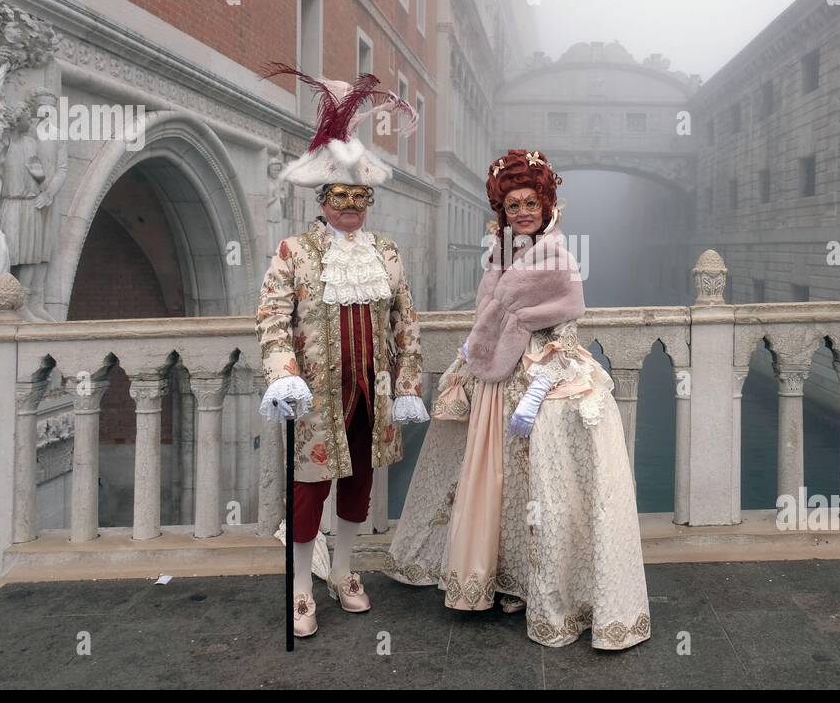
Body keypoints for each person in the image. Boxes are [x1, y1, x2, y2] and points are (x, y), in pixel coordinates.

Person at [385, 148, 651, 650]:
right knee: (502, 489)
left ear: (546, 205)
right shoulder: (501, 255)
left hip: (539, 385)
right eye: (513, 205)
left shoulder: (557, 257)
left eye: (530, 202)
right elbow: (488, 316)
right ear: (502, 212)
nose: (523, 211)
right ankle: (511, 582)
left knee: (545, 495)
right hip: (494, 384)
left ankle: (551, 594)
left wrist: (536, 392)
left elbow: (567, 329)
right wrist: (472, 351)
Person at [256, 67, 429, 640]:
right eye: (340, 196)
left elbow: (407, 324)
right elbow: (273, 318)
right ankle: (302, 585)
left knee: (359, 488)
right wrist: (283, 375)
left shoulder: (387, 252)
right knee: (309, 489)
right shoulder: (294, 252)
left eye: (360, 196)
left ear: (369, 200)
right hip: (317, 395)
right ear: (323, 198)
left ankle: (347, 572)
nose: (351, 205)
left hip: (371, 393)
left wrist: (407, 385)